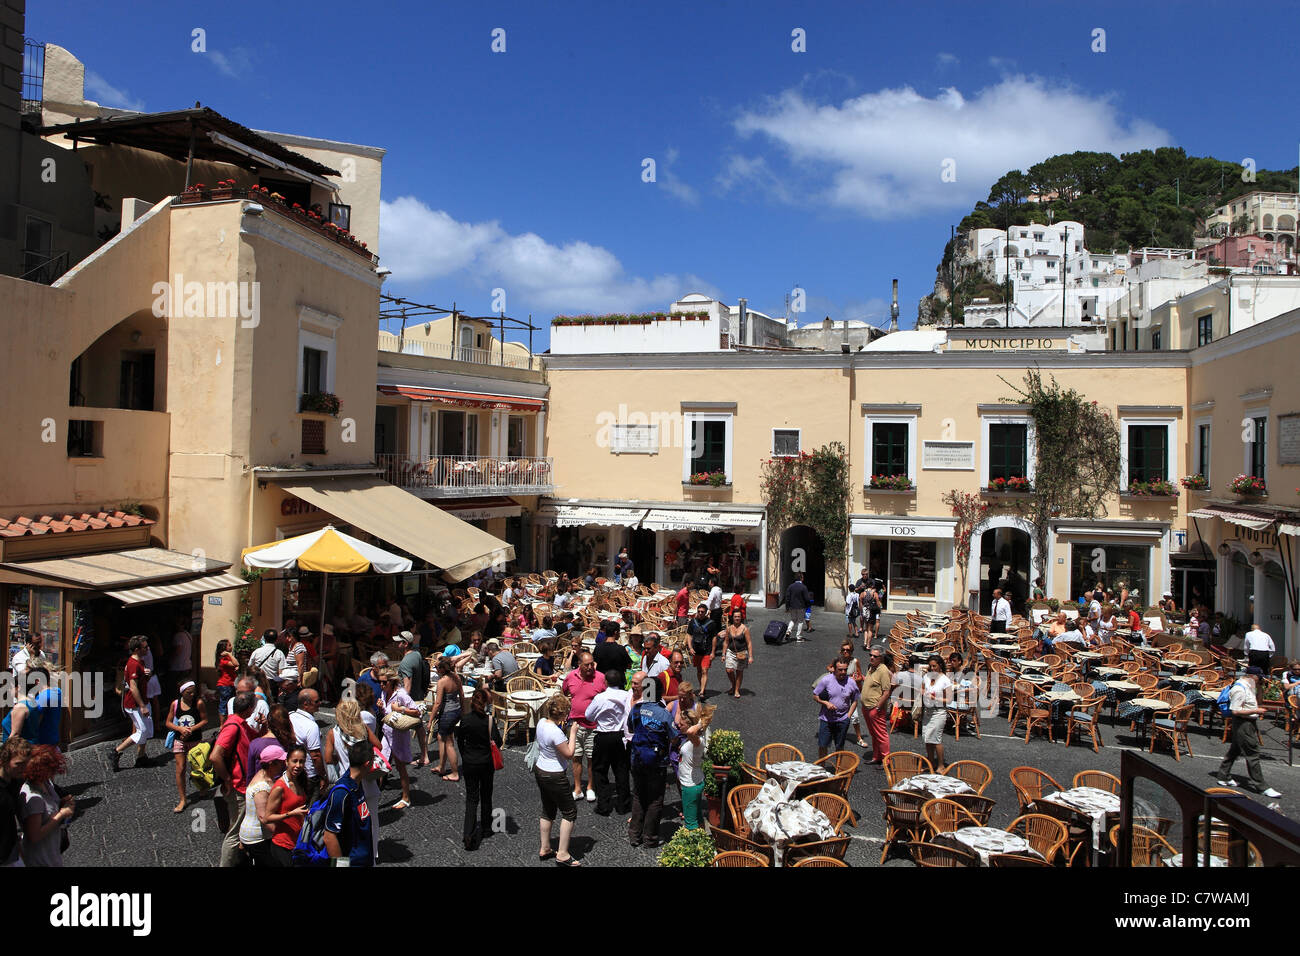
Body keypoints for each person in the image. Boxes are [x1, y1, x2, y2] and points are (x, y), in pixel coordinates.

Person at [1215, 666, 1282, 797]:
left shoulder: (1249, 686)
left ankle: (1223, 776)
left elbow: (1259, 701)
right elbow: (1235, 710)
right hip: (1242, 723)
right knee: (1252, 753)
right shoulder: (1239, 689)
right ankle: (1262, 786)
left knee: (1235, 750)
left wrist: (1260, 688)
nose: (1260, 680)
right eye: (1259, 678)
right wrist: (1256, 711)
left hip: (1249, 722)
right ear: (1252, 676)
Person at [534, 693, 582, 866]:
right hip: (555, 774)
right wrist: (573, 733)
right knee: (569, 812)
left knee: (548, 809)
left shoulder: (541, 723)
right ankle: (562, 853)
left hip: (541, 769)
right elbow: (569, 754)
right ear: (562, 714)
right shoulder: (556, 733)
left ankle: (545, 847)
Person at [455, 687, 501, 851]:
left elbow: (459, 741)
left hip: (469, 762)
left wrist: (465, 755)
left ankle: (469, 833)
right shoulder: (489, 720)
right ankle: (487, 828)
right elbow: (498, 741)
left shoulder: (465, 720)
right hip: (486, 762)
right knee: (486, 795)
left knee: (471, 798)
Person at [212, 691, 255, 867]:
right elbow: (215, 756)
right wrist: (227, 779)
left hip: (243, 783)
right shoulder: (233, 726)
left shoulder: (241, 724)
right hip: (238, 785)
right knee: (235, 832)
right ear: (250, 709)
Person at [627, 686, 672, 848]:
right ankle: (650, 837)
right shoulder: (663, 713)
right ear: (659, 694)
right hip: (656, 761)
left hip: (637, 758)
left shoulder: (636, 709)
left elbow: (630, 728)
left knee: (639, 795)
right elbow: (672, 736)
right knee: (655, 799)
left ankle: (634, 835)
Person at [585, 669, 633, 817]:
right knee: (621, 770)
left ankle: (604, 805)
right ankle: (623, 805)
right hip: (620, 736)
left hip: (603, 736)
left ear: (605, 682)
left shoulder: (600, 698)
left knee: (600, 771)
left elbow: (589, 716)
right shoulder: (626, 696)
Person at [323, 740, 378, 866]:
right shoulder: (341, 793)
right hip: (352, 862)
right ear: (368, 764)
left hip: (364, 859)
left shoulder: (357, 783)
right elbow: (329, 836)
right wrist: (342, 865)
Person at [562, 651, 606, 802]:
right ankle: (578, 787)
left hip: (593, 726)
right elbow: (565, 692)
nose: (590, 667)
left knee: (591, 758)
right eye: (586, 665)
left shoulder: (600, 677)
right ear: (579, 665)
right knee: (576, 757)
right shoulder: (570, 677)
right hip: (575, 725)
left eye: (592, 664)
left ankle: (590, 787)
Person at [17, 744, 72, 866]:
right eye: (51, 769)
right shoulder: (34, 799)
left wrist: (63, 803)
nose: (54, 772)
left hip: (51, 851)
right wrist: (61, 815)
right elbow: (34, 835)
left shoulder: (46, 784)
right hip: (40, 859)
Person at [238, 743, 287, 867]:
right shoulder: (261, 787)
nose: (283, 764)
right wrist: (283, 835)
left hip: (256, 835)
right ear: (271, 764)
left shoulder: (264, 774)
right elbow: (263, 817)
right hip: (256, 838)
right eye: (280, 761)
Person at [672, 684, 712, 830]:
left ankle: (695, 848)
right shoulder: (692, 741)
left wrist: (700, 722)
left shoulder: (696, 741)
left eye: (681, 724)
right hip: (693, 782)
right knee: (698, 816)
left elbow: (690, 732)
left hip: (690, 785)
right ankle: (704, 841)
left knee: (690, 822)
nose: (678, 726)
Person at [164, 681, 208, 813]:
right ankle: (183, 799)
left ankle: (202, 787)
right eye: (189, 693)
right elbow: (168, 722)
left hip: (195, 739)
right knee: (180, 767)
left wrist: (191, 729)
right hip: (180, 739)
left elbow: (205, 720)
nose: (192, 695)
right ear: (182, 692)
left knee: (198, 766)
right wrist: (179, 729)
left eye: (193, 692)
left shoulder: (198, 703)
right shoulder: (175, 704)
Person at [111, 637, 153, 771]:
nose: (148, 649)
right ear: (136, 649)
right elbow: (133, 687)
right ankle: (116, 751)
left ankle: (141, 757)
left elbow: (141, 681)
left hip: (142, 700)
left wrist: (147, 675)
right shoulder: (133, 664)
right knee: (143, 731)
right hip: (134, 704)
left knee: (146, 730)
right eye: (145, 647)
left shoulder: (140, 661)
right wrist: (142, 706)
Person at [379, 667, 418, 810]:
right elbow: (386, 713)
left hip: (398, 735)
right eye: (380, 682)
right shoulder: (384, 693)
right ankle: (375, 796)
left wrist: (400, 709)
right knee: (381, 764)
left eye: (384, 683)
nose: (381, 685)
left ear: (391, 681)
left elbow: (416, 712)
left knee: (400, 766)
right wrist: (380, 708)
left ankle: (406, 797)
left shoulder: (401, 695)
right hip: (387, 733)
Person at [264, 745, 310, 867]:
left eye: (302, 761)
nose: (298, 765)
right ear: (286, 762)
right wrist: (290, 814)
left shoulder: (299, 780)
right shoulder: (280, 787)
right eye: (294, 761)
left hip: (298, 842)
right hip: (283, 845)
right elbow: (267, 817)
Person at [393, 631, 431, 767]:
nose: (397, 644)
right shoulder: (417, 654)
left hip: (411, 701)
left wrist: (399, 705)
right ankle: (424, 755)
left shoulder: (405, 663)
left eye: (399, 642)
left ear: (405, 644)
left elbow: (407, 688)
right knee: (419, 727)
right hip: (418, 697)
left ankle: (402, 756)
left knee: (398, 728)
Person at [813, 659, 860, 758]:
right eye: (840, 670)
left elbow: (855, 701)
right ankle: (821, 768)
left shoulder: (851, 683)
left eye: (845, 670)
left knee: (839, 746)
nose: (843, 672)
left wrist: (848, 716)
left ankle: (839, 769)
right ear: (834, 669)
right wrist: (825, 703)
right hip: (826, 719)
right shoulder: (826, 680)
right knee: (823, 745)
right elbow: (815, 695)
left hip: (843, 720)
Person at [431, 657, 462, 782]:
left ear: (443, 669)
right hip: (456, 710)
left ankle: (455, 773)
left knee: (449, 742)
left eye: (438, 667)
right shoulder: (456, 677)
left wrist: (430, 720)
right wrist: (463, 713)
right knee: (441, 738)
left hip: (447, 713)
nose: (436, 669)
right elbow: (462, 695)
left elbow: (437, 703)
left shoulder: (442, 682)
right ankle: (441, 766)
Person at [859, 647, 893, 763]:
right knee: (874, 733)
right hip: (866, 707)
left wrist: (878, 707)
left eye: (875, 656)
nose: (871, 657)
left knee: (881, 734)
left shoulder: (883, 671)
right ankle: (876, 756)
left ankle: (886, 760)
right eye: (870, 655)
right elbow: (872, 682)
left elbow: (886, 692)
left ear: (881, 658)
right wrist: (862, 678)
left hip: (875, 708)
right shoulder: (872, 668)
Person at [0, 738, 30, 868]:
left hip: (10, 850)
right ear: (3, 762)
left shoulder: (15, 781)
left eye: (25, 764)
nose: (23, 768)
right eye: (18, 764)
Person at [920, 655, 953, 769]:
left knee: (936, 739)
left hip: (939, 712)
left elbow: (949, 700)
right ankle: (930, 762)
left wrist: (935, 698)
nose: (932, 668)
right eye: (931, 666)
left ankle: (941, 765)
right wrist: (924, 693)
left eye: (935, 666)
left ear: (940, 666)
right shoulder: (927, 676)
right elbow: (922, 688)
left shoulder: (945, 680)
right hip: (927, 711)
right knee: (927, 738)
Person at [289, 689, 325, 794]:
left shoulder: (290, 716)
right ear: (306, 704)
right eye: (316, 701)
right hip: (310, 775)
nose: (320, 703)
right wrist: (323, 776)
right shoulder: (311, 726)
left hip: (294, 771)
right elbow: (315, 755)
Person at [0, 666, 45, 746]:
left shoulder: (20, 707)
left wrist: (4, 752)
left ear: (18, 688)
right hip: (31, 747)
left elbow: (14, 735)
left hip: (20, 751)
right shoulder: (32, 703)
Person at [248, 705, 295, 778]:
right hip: (282, 786)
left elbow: (250, 774)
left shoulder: (255, 744)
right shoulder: (288, 743)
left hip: (261, 786)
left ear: (269, 722)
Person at [687, 603, 719, 699]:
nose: (700, 613)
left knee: (705, 670)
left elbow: (714, 638)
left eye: (702, 612)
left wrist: (713, 652)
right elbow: (689, 635)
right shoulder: (693, 622)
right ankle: (702, 686)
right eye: (699, 611)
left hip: (707, 651)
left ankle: (701, 691)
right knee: (699, 670)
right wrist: (690, 647)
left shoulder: (711, 624)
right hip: (696, 650)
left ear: (706, 613)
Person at [722, 608, 754, 699]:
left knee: (739, 671)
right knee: (729, 670)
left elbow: (749, 643)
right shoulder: (729, 628)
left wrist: (751, 656)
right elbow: (726, 642)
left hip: (742, 653)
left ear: (741, 618)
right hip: (731, 652)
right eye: (735, 616)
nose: (737, 618)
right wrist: (723, 654)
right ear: (732, 617)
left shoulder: (745, 629)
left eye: (738, 617)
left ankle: (736, 689)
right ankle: (733, 684)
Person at [248, 629, 286, 696]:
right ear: (276, 639)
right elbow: (281, 673)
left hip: (258, 682)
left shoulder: (256, 652)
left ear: (264, 638)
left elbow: (250, 666)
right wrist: (280, 687)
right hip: (272, 684)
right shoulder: (279, 653)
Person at [782, 572, 813, 642]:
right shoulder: (803, 587)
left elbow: (787, 597)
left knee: (793, 619)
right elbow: (807, 598)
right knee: (800, 621)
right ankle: (798, 637)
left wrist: (787, 607)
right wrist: (808, 605)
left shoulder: (790, 586)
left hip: (792, 606)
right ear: (801, 578)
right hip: (801, 607)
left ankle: (788, 631)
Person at [215, 640, 238, 718]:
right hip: (225, 685)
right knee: (224, 705)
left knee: (230, 704)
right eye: (229, 645)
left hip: (230, 683)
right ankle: (222, 725)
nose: (231, 646)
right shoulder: (223, 659)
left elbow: (235, 665)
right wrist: (229, 654)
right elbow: (236, 663)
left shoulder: (227, 658)